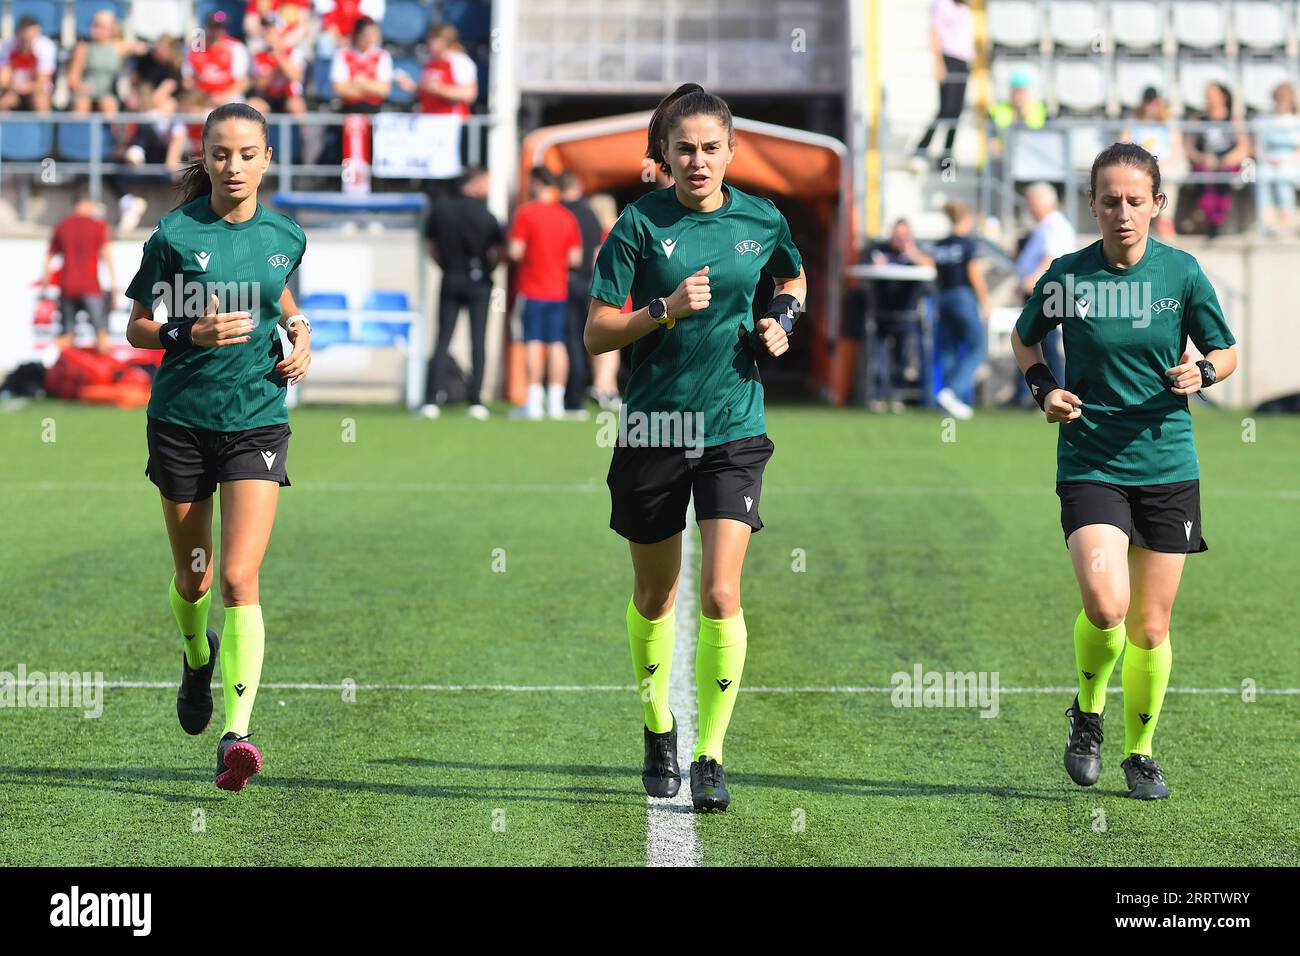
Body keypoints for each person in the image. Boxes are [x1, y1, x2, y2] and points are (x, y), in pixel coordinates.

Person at [585, 83, 806, 811]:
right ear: (665, 155)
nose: (699, 160)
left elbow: (791, 276)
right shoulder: (637, 227)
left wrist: (782, 319)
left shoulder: (761, 217)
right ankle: (657, 725)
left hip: (733, 428)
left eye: (712, 148)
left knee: (720, 591)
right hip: (653, 428)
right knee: (655, 595)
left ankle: (710, 753)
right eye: (685, 149)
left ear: (731, 151)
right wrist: (664, 309)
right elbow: (596, 332)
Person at [1011, 142, 1238, 801]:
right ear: (1092, 205)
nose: (1123, 212)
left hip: (1168, 463)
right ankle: (1087, 714)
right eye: (1109, 200)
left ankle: (1140, 753)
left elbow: (1224, 352)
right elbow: (1026, 337)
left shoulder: (1183, 274)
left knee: (1150, 628)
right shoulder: (1067, 276)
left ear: (1158, 204)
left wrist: (1201, 371)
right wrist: (1042, 387)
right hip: (1092, 462)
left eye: (1136, 199)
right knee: (1107, 606)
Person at [123, 102, 312, 793]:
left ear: (267, 159)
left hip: (257, 419)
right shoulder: (175, 235)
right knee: (195, 579)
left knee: (239, 576)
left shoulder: (285, 235)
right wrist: (185, 335)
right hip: (180, 421)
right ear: (203, 157)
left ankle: (237, 734)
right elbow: (139, 327)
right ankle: (194, 653)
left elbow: (277, 292)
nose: (233, 166)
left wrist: (301, 334)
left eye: (247, 154)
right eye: (221, 154)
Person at [418, 166, 502, 420]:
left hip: (451, 277)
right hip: (479, 281)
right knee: (478, 340)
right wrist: (488, 268)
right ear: (475, 183)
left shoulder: (440, 210)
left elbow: (431, 247)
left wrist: (446, 266)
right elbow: (498, 251)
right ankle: (476, 400)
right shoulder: (486, 214)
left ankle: (431, 399)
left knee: (443, 337)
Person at [508, 166, 581, 419]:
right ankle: (556, 402)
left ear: (537, 183)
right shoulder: (566, 216)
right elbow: (575, 257)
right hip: (558, 289)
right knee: (557, 344)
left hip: (532, 287)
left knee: (532, 342)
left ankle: (534, 402)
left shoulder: (526, 213)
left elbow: (516, 251)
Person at [864, 218, 934, 412]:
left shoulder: (916, 252)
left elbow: (931, 267)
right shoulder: (879, 249)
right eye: (897, 235)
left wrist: (913, 254)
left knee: (902, 359)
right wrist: (877, 264)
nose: (900, 239)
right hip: (883, 314)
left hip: (907, 316)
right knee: (879, 359)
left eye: (904, 235)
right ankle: (878, 396)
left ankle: (896, 396)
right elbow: (864, 267)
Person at [1012, 182, 1073, 403]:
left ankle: (1056, 390)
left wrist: (1030, 278)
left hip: (1048, 291)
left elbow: (1052, 257)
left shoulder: (1054, 225)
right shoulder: (1045, 225)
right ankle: (1027, 393)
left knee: (1044, 342)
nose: (1030, 209)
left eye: (1033, 204)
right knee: (1030, 340)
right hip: (1041, 290)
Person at [932, 200, 989, 419]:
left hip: (943, 296)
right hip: (962, 296)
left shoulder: (941, 245)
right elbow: (973, 272)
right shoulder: (967, 245)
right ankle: (953, 392)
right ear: (965, 219)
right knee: (978, 346)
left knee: (948, 349)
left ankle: (946, 400)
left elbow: (937, 274)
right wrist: (984, 300)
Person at [43, 196, 119, 354]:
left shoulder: (62, 226)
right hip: (91, 287)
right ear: (86, 205)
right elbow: (107, 257)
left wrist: (45, 282)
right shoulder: (98, 226)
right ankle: (105, 374)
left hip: (67, 286)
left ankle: (60, 371)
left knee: (67, 334)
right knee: (101, 332)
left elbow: (49, 256)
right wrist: (114, 287)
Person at [559, 171, 603, 412]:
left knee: (566, 341)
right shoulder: (590, 215)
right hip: (586, 283)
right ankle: (579, 395)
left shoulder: (559, 213)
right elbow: (598, 253)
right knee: (583, 339)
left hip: (562, 282)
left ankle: (568, 397)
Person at [1184, 81, 1251, 239]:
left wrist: (1225, 160)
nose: (1208, 98)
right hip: (1205, 163)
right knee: (1203, 176)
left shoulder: (1233, 119)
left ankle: (1218, 221)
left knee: (1225, 176)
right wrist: (1202, 158)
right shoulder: (1199, 120)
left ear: (1223, 96)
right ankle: (1213, 220)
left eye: (1212, 94)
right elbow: (1189, 147)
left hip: (1227, 163)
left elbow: (1243, 147)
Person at [914, 0, 973, 171]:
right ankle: (922, 147)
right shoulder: (942, 4)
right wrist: (939, 63)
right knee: (946, 110)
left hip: (963, 61)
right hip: (949, 59)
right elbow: (934, 32)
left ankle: (947, 156)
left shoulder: (964, 7)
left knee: (956, 112)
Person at [1121, 87, 1181, 239]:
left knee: (1170, 176)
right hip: (1139, 165)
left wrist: (1158, 164)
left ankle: (1165, 220)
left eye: (1154, 103)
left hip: (1164, 165)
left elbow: (1176, 153)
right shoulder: (1133, 123)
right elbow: (1123, 146)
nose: (1151, 107)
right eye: (1149, 103)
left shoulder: (1169, 123)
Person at [585, 192, 623, 411]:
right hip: (613, 293)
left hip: (611, 293)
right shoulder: (613, 230)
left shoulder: (609, 234)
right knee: (606, 342)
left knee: (610, 342)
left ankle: (605, 387)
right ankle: (607, 387)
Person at [68, 9, 140, 116]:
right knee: (82, 104)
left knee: (109, 104)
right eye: (93, 25)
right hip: (85, 92)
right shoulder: (83, 48)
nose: (94, 29)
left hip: (107, 93)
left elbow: (139, 48)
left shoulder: (119, 47)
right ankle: (79, 132)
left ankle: (114, 132)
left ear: (110, 29)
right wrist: (81, 87)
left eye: (98, 26)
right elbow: (72, 79)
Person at [1253, 82, 1300, 237]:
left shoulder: (1296, 121)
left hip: (1290, 162)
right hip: (1268, 161)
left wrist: (1285, 159)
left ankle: (1286, 223)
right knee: (1261, 177)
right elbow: (1258, 146)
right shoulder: (1265, 120)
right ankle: (1266, 222)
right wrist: (1267, 158)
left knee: (1282, 180)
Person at [183, 11, 251, 109]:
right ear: (206, 26)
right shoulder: (195, 48)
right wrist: (202, 95)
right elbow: (188, 80)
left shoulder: (235, 48)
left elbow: (242, 82)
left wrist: (222, 97)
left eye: (222, 27)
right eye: (214, 26)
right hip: (202, 99)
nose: (218, 31)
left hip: (229, 97)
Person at [0, 16, 56, 112]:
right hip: (12, 88)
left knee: (40, 100)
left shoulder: (46, 47)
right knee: (4, 101)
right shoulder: (5, 46)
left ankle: (44, 126)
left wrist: (26, 88)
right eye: (24, 38)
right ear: (18, 33)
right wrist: (12, 89)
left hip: (36, 89)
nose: (27, 41)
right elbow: (3, 78)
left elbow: (42, 81)